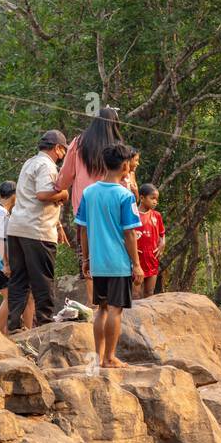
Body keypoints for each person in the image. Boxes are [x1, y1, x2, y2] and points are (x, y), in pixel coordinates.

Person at [57, 107, 138, 303]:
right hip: (115, 207)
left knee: (89, 257)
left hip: (87, 208)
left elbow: (66, 175)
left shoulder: (78, 143)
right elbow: (126, 178)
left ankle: (97, 306)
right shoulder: (118, 146)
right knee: (117, 250)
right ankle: (114, 304)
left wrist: (58, 189)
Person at [75, 143, 143, 368]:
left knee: (101, 309)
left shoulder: (88, 192)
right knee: (116, 309)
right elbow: (130, 233)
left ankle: (99, 356)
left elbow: (83, 229)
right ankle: (110, 357)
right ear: (125, 166)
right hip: (118, 262)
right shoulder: (125, 196)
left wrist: (86, 259)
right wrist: (136, 264)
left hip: (98, 261)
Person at [6, 130, 70, 332]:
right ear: (57, 148)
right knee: (43, 278)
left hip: (17, 228)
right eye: (63, 149)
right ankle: (44, 322)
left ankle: (14, 324)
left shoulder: (29, 162)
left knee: (19, 279)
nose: (63, 154)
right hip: (37, 229)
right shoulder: (47, 165)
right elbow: (43, 194)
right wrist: (65, 193)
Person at [0, 180, 33, 335]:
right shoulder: (2, 213)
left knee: (22, 295)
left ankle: (25, 330)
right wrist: (6, 264)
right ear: (14, 196)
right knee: (10, 296)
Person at [135, 183, 165, 298]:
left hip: (152, 259)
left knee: (150, 293)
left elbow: (162, 233)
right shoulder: (133, 215)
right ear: (142, 198)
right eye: (152, 198)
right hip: (137, 261)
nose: (155, 201)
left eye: (156, 199)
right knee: (135, 294)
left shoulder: (156, 216)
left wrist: (163, 242)